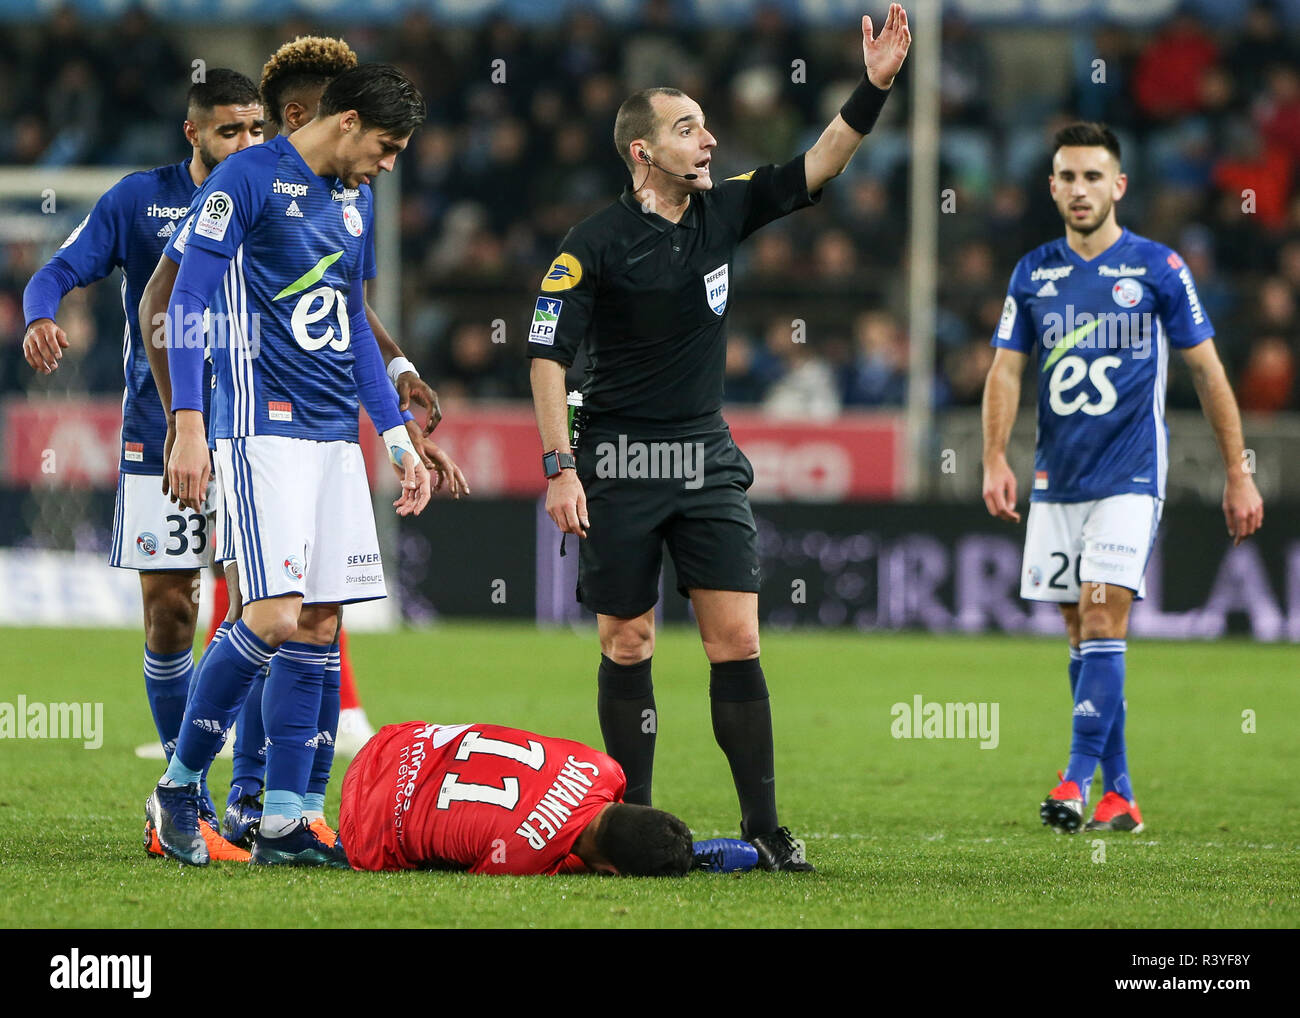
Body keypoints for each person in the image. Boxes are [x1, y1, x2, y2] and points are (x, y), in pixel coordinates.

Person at [527, 7, 911, 871]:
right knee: (628, 643)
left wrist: (875, 85)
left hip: (702, 456)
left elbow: (819, 164)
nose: (707, 141)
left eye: (705, 125)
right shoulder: (591, 245)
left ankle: (766, 828)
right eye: (687, 128)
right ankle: (635, 824)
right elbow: (545, 359)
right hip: (620, 462)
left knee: (736, 639)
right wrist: (561, 468)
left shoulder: (722, 210)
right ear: (643, 150)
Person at [139, 36, 467, 853]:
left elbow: (353, 322)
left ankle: (287, 814)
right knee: (274, 614)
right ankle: (177, 793)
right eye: (385, 149)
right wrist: (186, 423)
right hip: (261, 432)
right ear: (347, 121)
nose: (387, 167)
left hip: (332, 438)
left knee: (320, 621)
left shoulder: (351, 204)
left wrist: (395, 438)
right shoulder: (246, 179)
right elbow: (186, 302)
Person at [981, 122, 1264, 833]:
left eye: (1093, 177)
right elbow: (1005, 370)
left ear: (1119, 186)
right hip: (1057, 478)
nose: (1080, 190)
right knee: (1081, 633)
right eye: (1067, 178)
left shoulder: (1159, 269)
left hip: (1132, 474)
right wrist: (992, 458)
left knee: (1104, 612)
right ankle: (1123, 793)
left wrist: (1239, 473)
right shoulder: (1033, 273)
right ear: (1052, 187)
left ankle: (1074, 782)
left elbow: (1207, 371)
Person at [21, 69, 265, 862]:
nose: (246, 145)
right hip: (157, 432)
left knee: (265, 611)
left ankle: (256, 799)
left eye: (256, 129)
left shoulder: (275, 197)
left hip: (258, 434)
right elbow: (57, 269)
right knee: (171, 609)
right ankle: (183, 798)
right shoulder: (139, 200)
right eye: (230, 131)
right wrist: (40, 314)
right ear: (193, 134)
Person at [339, 720, 693, 876]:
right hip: (367, 825)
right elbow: (555, 852)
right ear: (609, 870)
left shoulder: (604, 767)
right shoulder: (524, 857)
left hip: (398, 740)